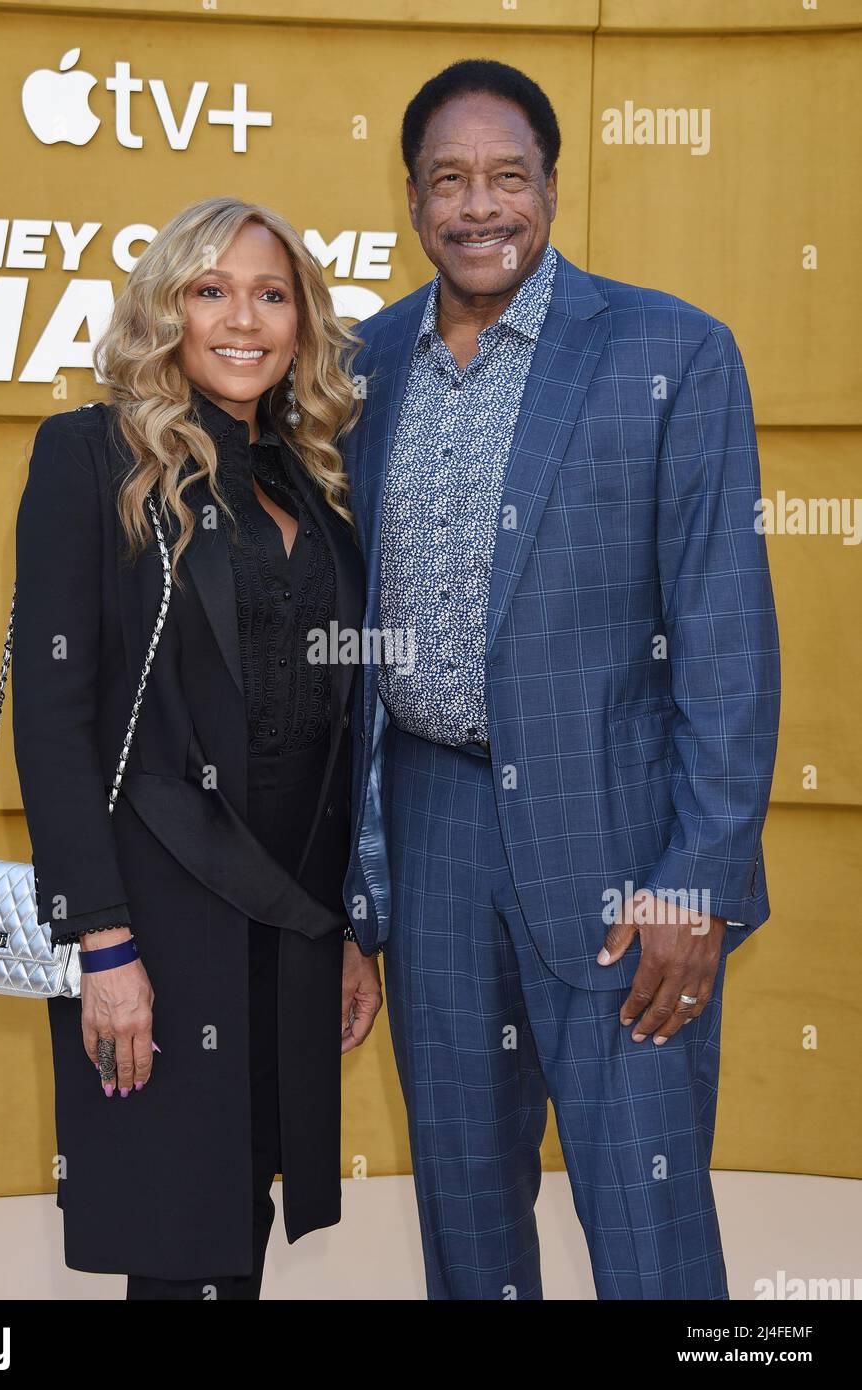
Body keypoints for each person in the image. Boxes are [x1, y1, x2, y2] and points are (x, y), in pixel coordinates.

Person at [341, 60, 780, 1299]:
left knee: (648, 1233)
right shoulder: (361, 367)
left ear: (550, 186)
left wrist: (696, 882)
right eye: (448, 181)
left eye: (507, 177)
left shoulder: (671, 351)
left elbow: (725, 636)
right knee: (467, 1225)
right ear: (414, 201)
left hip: (620, 850)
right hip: (429, 838)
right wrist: (354, 896)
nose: (479, 206)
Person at [12, 195, 383, 1300]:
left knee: (244, 1210)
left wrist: (353, 927)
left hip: (293, 914)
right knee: (179, 1232)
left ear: (302, 323)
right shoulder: (90, 454)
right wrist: (104, 944)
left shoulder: (315, 480)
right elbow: (54, 712)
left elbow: (343, 723)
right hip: (159, 917)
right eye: (209, 289)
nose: (244, 319)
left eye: (272, 294)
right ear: (164, 309)